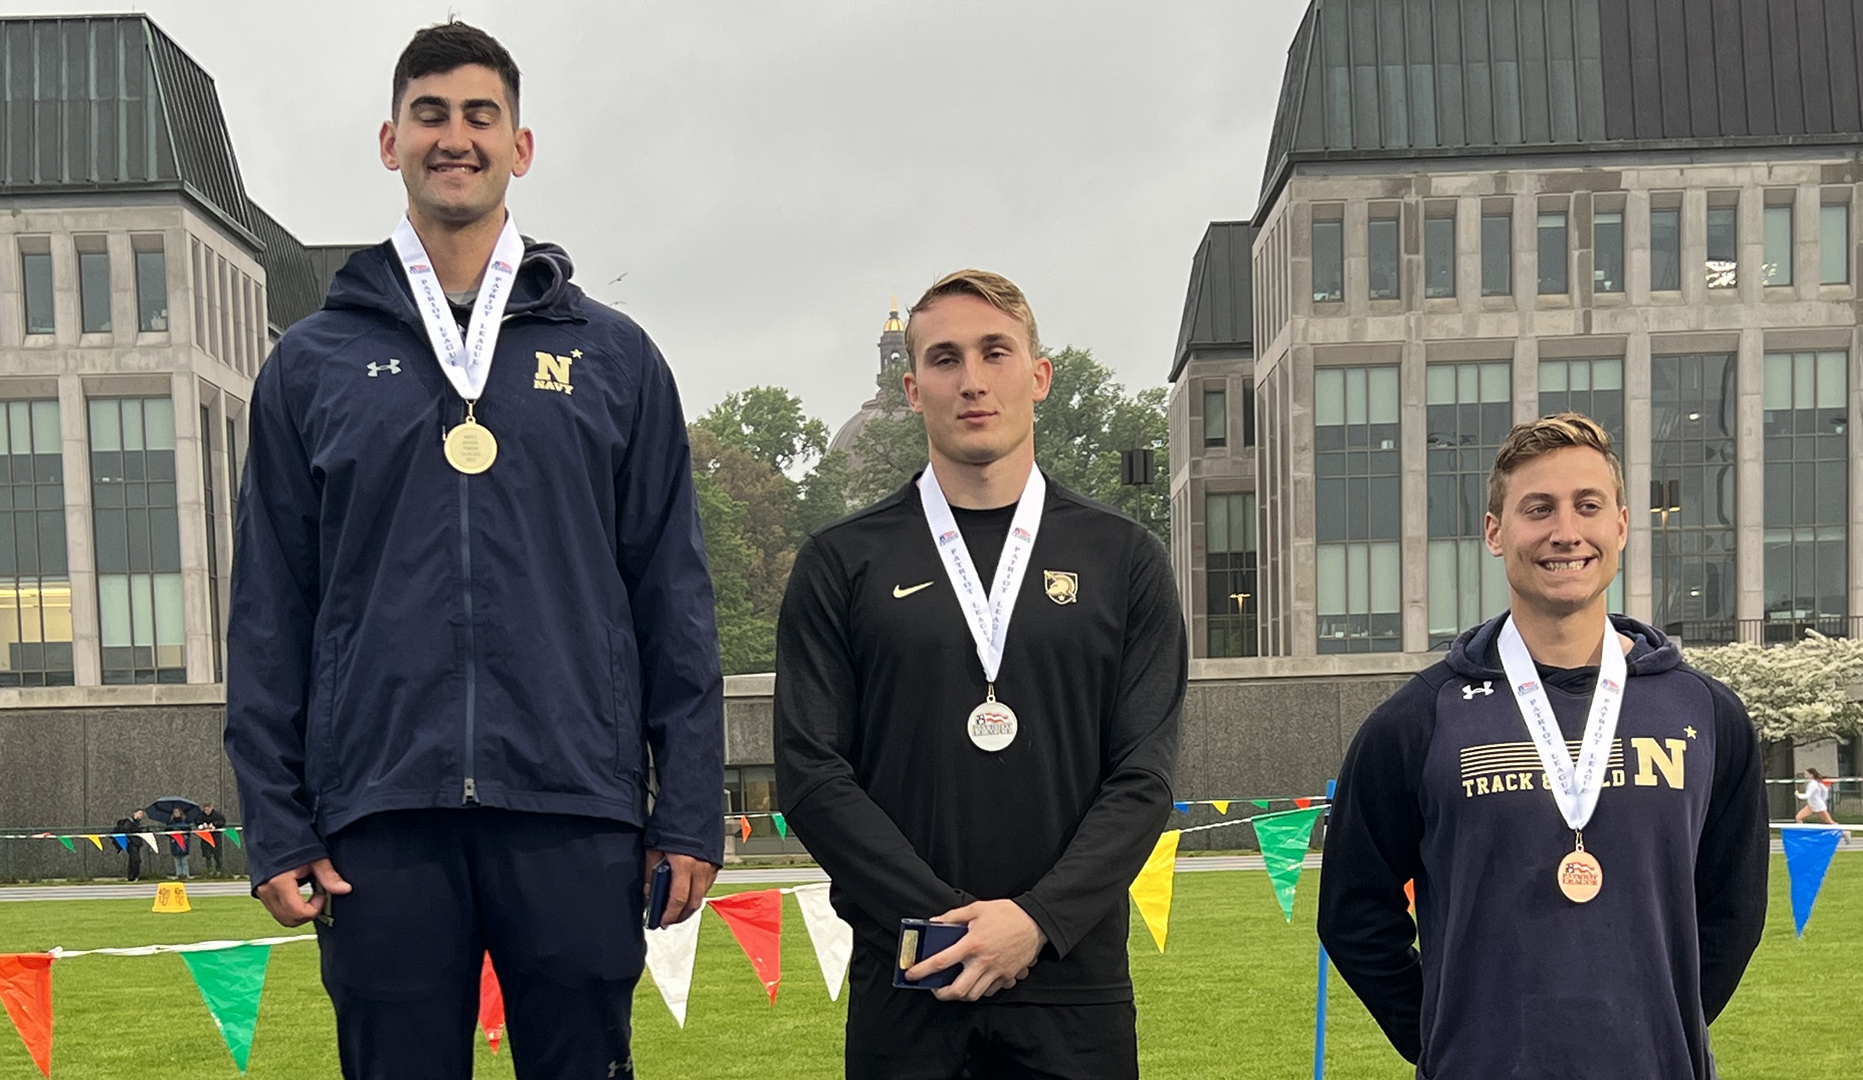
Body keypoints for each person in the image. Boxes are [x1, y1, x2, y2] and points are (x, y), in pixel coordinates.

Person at [224, 21, 723, 1079]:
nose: (455, 137)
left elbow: (671, 597)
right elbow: (270, 607)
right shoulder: (311, 362)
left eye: (480, 116)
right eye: (430, 115)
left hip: (574, 804)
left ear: (519, 146)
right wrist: (276, 819)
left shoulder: (615, 357)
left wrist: (685, 808)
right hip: (378, 812)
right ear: (390, 141)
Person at [774, 269, 1187, 1079]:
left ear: (1039, 376)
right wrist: (947, 925)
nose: (971, 379)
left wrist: (1035, 921)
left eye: (995, 352)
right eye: (945, 358)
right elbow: (813, 776)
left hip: (1073, 985)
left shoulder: (1124, 559)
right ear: (912, 388)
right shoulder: (841, 562)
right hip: (909, 981)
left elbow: (1143, 779)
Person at [1318, 414, 1769, 1079]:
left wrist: (1661, 1030)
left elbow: (1734, 909)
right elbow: (1353, 910)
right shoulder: (1417, 721)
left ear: (1621, 525)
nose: (1566, 532)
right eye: (1538, 509)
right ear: (1495, 532)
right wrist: (1442, 1037)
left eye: (1588, 506)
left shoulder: (1706, 713)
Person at [113, 809, 145, 881]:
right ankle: (132, 876)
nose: (141, 815)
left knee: (134, 860)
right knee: (135, 859)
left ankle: (133, 876)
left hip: (136, 843)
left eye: (142, 814)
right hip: (131, 843)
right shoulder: (129, 822)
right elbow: (126, 831)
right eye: (139, 813)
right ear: (135, 813)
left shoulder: (137, 823)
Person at [197, 803, 228, 875]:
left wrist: (214, 824)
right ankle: (209, 870)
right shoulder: (201, 815)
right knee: (207, 855)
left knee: (217, 855)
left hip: (216, 838)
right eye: (205, 810)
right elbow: (197, 821)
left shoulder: (217, 815)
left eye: (208, 810)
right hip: (206, 838)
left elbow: (222, 822)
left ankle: (218, 870)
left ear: (211, 808)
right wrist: (202, 824)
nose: (206, 811)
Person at [167, 807, 193, 879]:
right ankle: (179, 874)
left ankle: (186, 874)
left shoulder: (185, 821)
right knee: (177, 860)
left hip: (183, 842)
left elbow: (189, 831)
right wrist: (172, 836)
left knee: (184, 859)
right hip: (175, 843)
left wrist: (184, 834)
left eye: (177, 812)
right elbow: (166, 832)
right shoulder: (171, 822)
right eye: (175, 812)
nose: (176, 813)